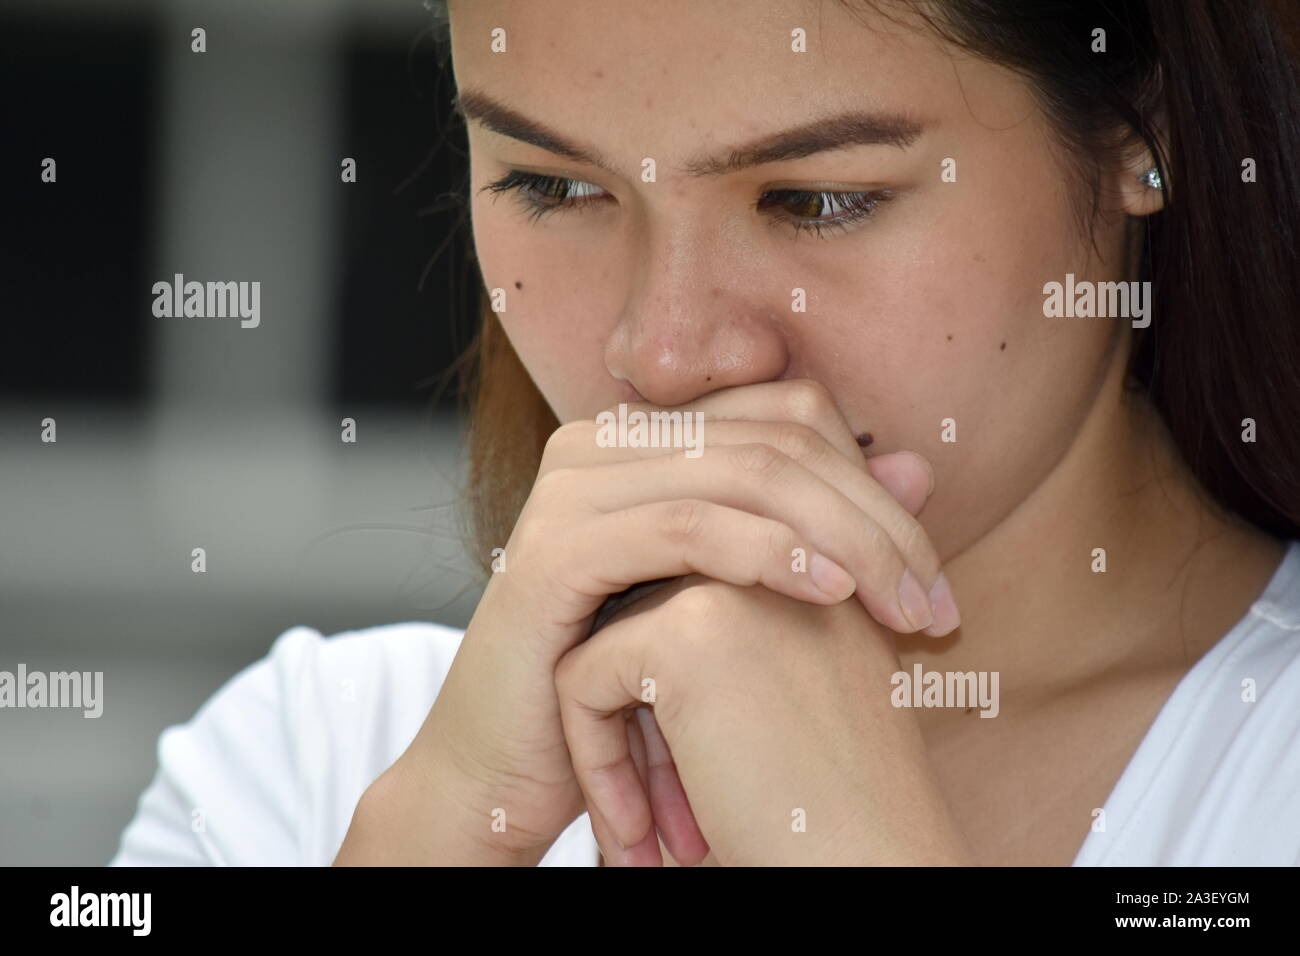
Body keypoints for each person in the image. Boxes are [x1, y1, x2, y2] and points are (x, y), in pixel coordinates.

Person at [111, 0, 1300, 867]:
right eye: (551, 186)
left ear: (1144, 132)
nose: (666, 352)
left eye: (818, 199)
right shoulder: (314, 762)